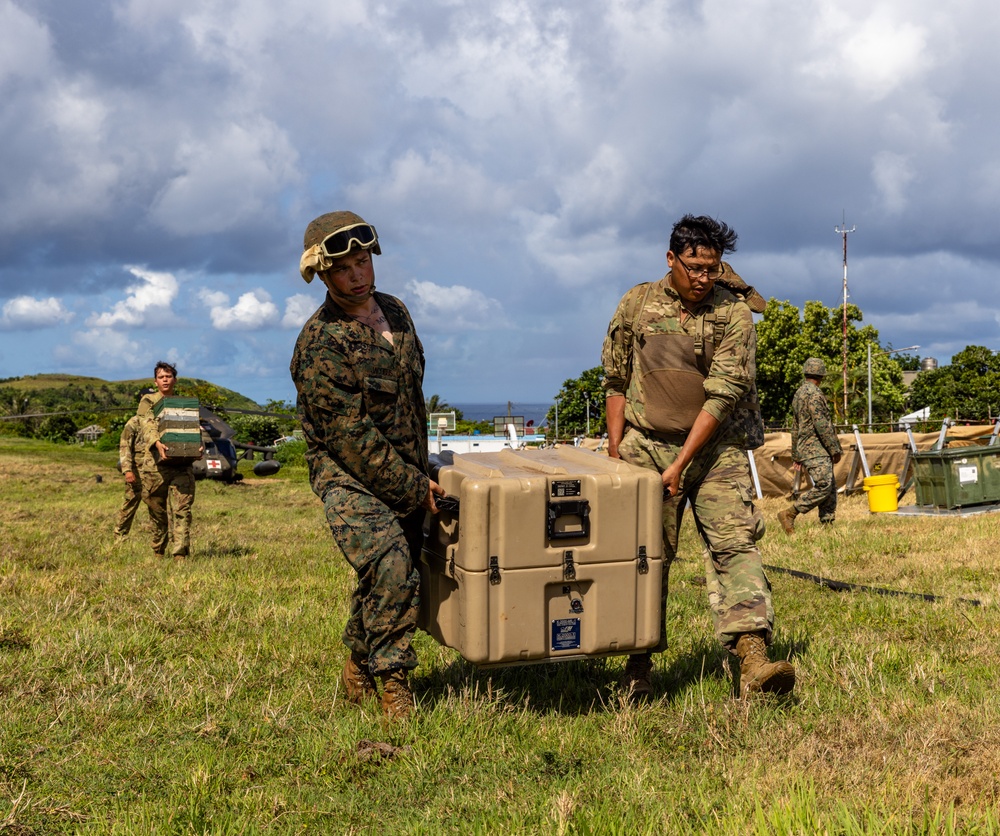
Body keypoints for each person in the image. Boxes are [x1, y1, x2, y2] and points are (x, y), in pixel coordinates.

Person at [601, 214, 794, 700]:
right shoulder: (637, 302)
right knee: (644, 555)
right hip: (646, 446)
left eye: (713, 268)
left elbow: (724, 393)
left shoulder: (734, 313)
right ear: (671, 259)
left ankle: (753, 660)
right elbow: (615, 379)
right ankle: (637, 666)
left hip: (715, 449)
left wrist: (681, 463)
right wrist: (615, 450)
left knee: (736, 544)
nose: (704, 278)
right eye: (694, 268)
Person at [290, 211, 443, 720]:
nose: (357, 275)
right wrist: (414, 487)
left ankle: (358, 659)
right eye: (343, 268)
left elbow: (412, 399)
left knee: (389, 574)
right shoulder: (321, 343)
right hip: (348, 476)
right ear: (323, 275)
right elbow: (350, 438)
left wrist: (421, 471)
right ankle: (393, 683)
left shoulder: (396, 312)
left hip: (406, 467)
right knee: (392, 563)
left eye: (362, 262)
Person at [137, 361, 197, 559]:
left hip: (182, 464)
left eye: (168, 376)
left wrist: (199, 445)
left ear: (175, 380)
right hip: (155, 465)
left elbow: (194, 427)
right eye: (161, 377)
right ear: (155, 381)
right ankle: (158, 550)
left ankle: (180, 554)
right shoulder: (148, 401)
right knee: (157, 511)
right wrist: (157, 443)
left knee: (182, 510)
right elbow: (147, 424)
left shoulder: (183, 404)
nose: (165, 380)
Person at [778, 358, 843, 533]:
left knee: (829, 486)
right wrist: (834, 449)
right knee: (824, 485)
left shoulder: (799, 393)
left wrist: (796, 454)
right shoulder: (814, 394)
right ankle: (790, 513)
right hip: (816, 447)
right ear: (821, 374)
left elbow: (795, 426)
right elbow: (822, 424)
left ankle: (827, 525)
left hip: (806, 447)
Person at [113, 413, 148, 542]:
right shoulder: (134, 422)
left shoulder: (160, 421)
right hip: (137, 471)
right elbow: (125, 447)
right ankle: (120, 535)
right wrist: (127, 470)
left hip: (156, 471)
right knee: (130, 503)